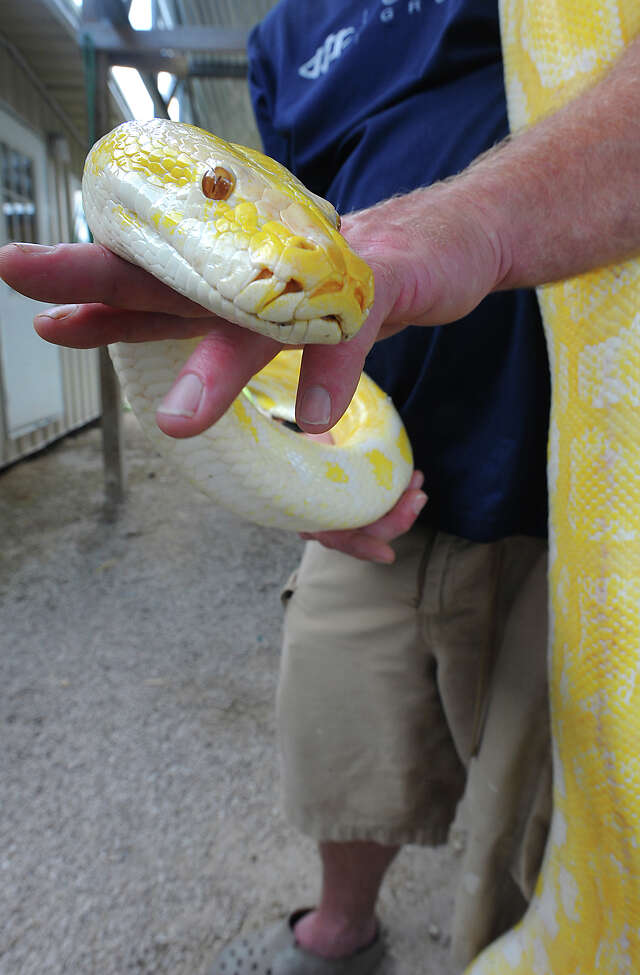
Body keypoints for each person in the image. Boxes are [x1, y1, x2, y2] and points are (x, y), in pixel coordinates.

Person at [1, 3, 639, 972]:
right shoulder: (282, 38)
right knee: (339, 741)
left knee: (533, 798)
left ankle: (494, 942)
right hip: (370, 447)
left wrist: (477, 219)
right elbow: (290, 203)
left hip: (557, 494)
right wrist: (302, 471)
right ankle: (340, 933)